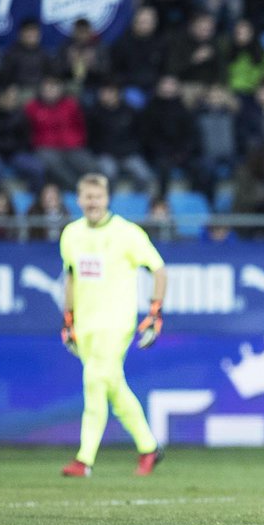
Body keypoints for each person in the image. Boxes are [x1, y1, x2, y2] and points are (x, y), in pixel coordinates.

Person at [59, 173, 167, 477]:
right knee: (114, 388)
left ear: (107, 199)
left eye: (98, 197)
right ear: (79, 200)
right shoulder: (71, 234)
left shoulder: (127, 233)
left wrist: (154, 312)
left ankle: (84, 460)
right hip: (86, 325)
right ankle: (148, 448)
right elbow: (70, 276)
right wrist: (68, 318)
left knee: (94, 382)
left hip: (116, 323)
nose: (92, 203)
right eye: (87, 197)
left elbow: (159, 270)